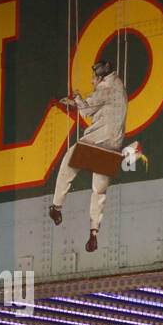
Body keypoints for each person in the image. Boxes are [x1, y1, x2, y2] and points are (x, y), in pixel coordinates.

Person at [49, 57, 129, 252]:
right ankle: (93, 233)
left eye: (94, 76)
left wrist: (76, 98)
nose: (92, 80)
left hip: (97, 142)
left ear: (100, 76)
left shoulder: (106, 87)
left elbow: (86, 112)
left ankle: (56, 206)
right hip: (113, 146)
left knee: (69, 162)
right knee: (99, 191)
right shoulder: (119, 86)